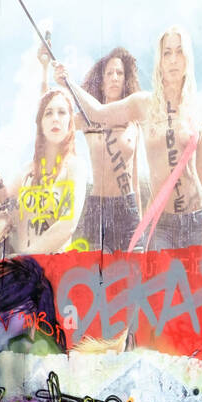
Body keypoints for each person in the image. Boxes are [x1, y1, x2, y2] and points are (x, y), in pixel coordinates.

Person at [56, 27, 202, 251]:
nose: (173, 60)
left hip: (198, 218)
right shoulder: (143, 104)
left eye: (179, 52)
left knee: (197, 286)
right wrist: (68, 83)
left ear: (188, 59)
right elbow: (97, 113)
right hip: (161, 223)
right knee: (157, 284)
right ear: (159, 61)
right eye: (167, 53)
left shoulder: (197, 110)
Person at [50, 46, 143, 253]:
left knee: (131, 280)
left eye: (119, 73)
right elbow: (53, 131)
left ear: (126, 79)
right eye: (109, 73)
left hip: (127, 209)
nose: (114, 77)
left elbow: (134, 180)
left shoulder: (133, 123)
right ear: (101, 81)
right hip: (97, 207)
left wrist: (140, 224)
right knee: (94, 278)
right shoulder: (87, 118)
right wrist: (59, 80)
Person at [8, 87, 85, 254]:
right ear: (40, 123)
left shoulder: (74, 168)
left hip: (56, 272)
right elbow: (2, 205)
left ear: (70, 122)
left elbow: (67, 225)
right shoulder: (25, 171)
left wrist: (24, 258)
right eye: (48, 113)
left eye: (62, 113)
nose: (55, 119)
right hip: (23, 275)